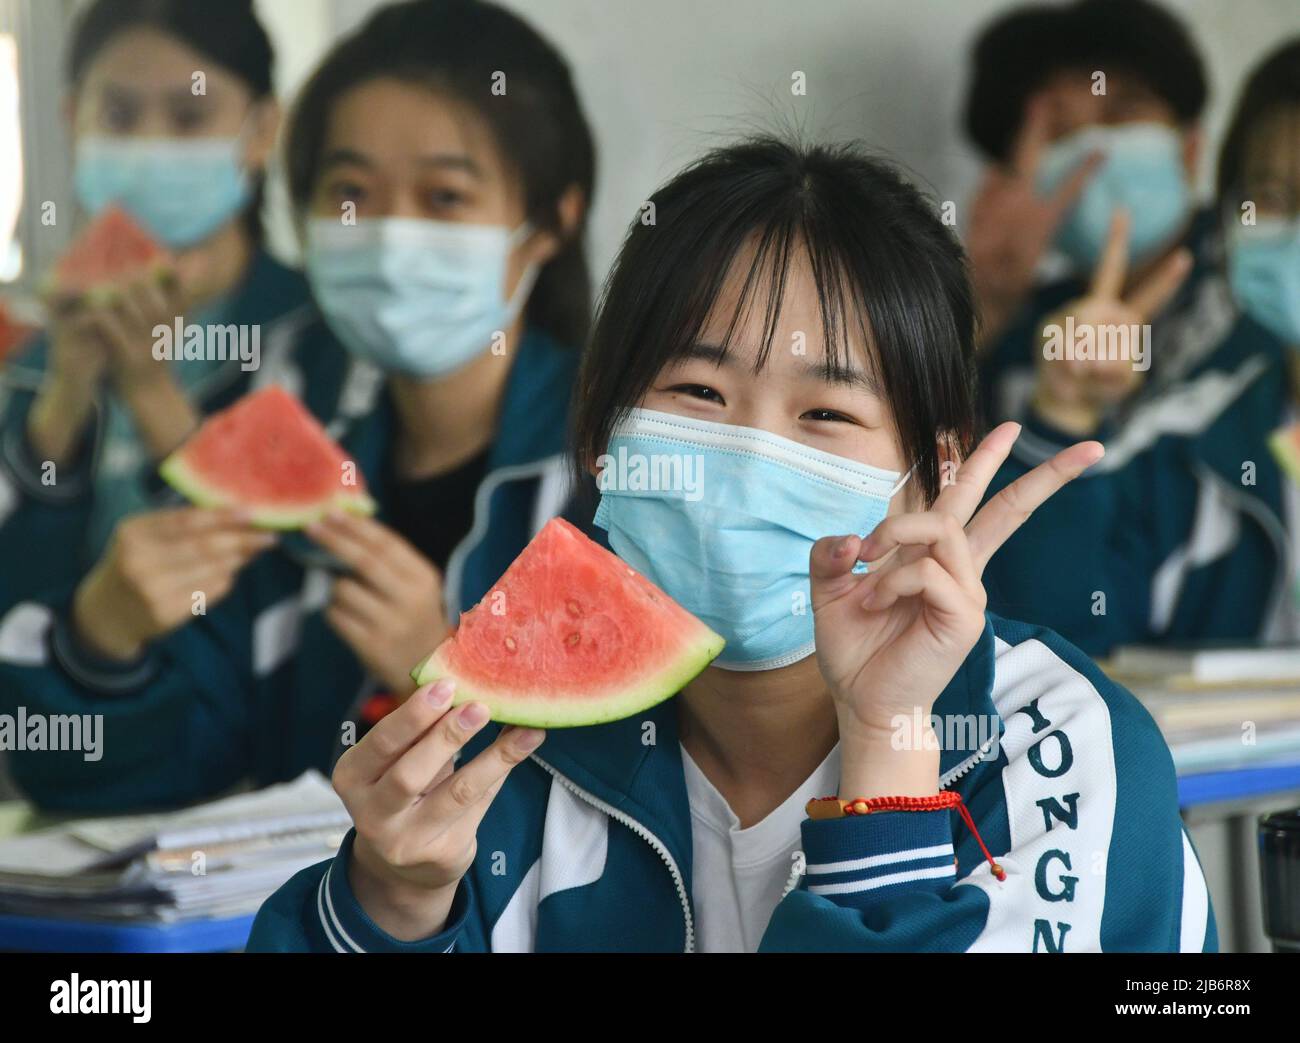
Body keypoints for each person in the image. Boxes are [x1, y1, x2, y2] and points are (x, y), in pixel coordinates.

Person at [248, 137, 1215, 953]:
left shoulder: (1066, 746)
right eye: (698, 394)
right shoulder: (511, 760)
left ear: (931, 472)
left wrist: (887, 747)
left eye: (827, 411)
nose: (754, 455)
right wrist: (392, 902)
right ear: (601, 438)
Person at [0, 0, 595, 810]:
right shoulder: (285, 407)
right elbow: (167, 769)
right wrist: (100, 644)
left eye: (445, 197)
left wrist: (451, 680)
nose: (388, 234)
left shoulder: (620, 467)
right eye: (351, 192)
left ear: (552, 220)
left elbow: (651, 813)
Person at [983, 42, 1298, 655]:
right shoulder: (1187, 445)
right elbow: (1056, 655)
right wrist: (1064, 414)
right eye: (1274, 197)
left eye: (1120, 115)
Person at [0, 0, 303, 613]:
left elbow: (294, 594)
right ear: (70, 120)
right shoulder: (37, 355)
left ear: (262, 130)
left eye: (190, 117)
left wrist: (150, 391)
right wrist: (61, 403)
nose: (148, 144)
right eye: (117, 113)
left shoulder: (316, 334)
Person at [964, 0, 1280, 446]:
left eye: (1122, 114)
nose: (1094, 152)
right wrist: (982, 309)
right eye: (1061, 133)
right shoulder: (1017, 334)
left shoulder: (1268, 287)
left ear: (1189, 150)